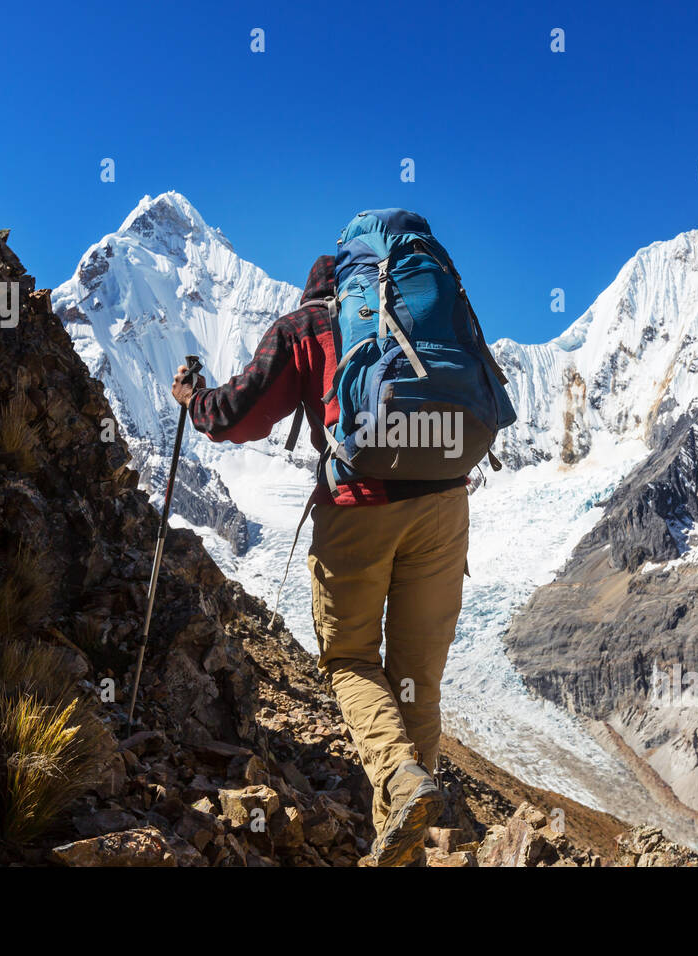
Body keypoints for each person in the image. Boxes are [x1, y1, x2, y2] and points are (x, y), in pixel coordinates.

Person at [171, 253, 469, 866]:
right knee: (418, 679)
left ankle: (401, 781)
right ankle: (402, 843)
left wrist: (193, 399)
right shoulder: (429, 313)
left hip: (360, 506)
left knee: (353, 658)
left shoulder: (305, 327)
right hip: (445, 507)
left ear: (316, 288)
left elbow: (239, 414)